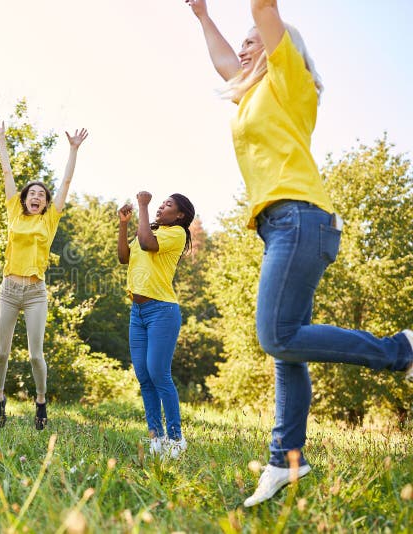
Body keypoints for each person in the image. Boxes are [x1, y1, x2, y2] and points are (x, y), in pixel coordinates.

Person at [185, 0, 413, 507]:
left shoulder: (291, 79)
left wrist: (258, 17)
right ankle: (285, 460)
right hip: (281, 225)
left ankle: (401, 350)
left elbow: (264, 7)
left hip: (301, 217)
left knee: (277, 336)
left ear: (274, 46)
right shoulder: (251, 94)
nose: (241, 48)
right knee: (289, 352)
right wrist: (202, 15)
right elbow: (224, 61)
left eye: (250, 40)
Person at [0, 119, 88, 430]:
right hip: (8, 289)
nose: (36, 197)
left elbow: (66, 183)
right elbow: (7, 173)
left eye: (41, 196)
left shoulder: (49, 220)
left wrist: (73, 150)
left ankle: (41, 402)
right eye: (31, 193)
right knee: (1, 353)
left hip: (35, 293)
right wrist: (1, 139)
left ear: (45, 204)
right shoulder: (14, 212)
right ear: (24, 198)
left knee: (35, 356)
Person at [117, 192, 195, 459]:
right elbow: (124, 257)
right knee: (144, 376)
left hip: (162, 310)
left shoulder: (176, 233)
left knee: (158, 373)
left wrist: (143, 205)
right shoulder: (148, 230)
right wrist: (124, 223)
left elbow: (148, 244)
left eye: (168, 205)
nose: (162, 206)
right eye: (161, 203)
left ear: (181, 215)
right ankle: (156, 437)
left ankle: (175, 438)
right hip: (137, 312)